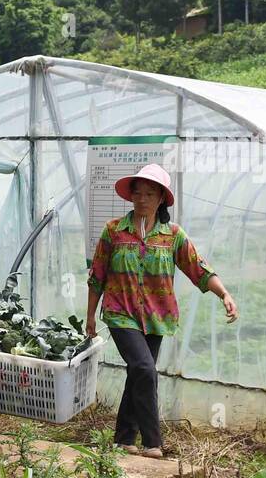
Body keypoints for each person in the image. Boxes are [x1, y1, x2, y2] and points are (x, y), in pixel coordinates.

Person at [86, 163, 237, 459]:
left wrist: (225, 294)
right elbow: (97, 275)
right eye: (137, 193)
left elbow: (199, 269)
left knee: (138, 373)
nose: (142, 199)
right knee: (144, 369)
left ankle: (123, 439)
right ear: (131, 197)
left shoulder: (173, 236)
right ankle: (153, 442)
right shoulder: (114, 231)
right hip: (120, 312)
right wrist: (90, 315)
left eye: (149, 194)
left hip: (157, 317)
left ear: (161, 199)